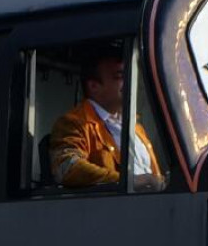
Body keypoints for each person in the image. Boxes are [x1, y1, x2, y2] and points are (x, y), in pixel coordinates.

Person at [48, 47, 163, 191]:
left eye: (130, 75)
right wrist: (127, 181)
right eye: (119, 76)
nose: (130, 82)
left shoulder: (136, 127)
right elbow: (67, 168)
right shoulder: (73, 123)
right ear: (94, 86)